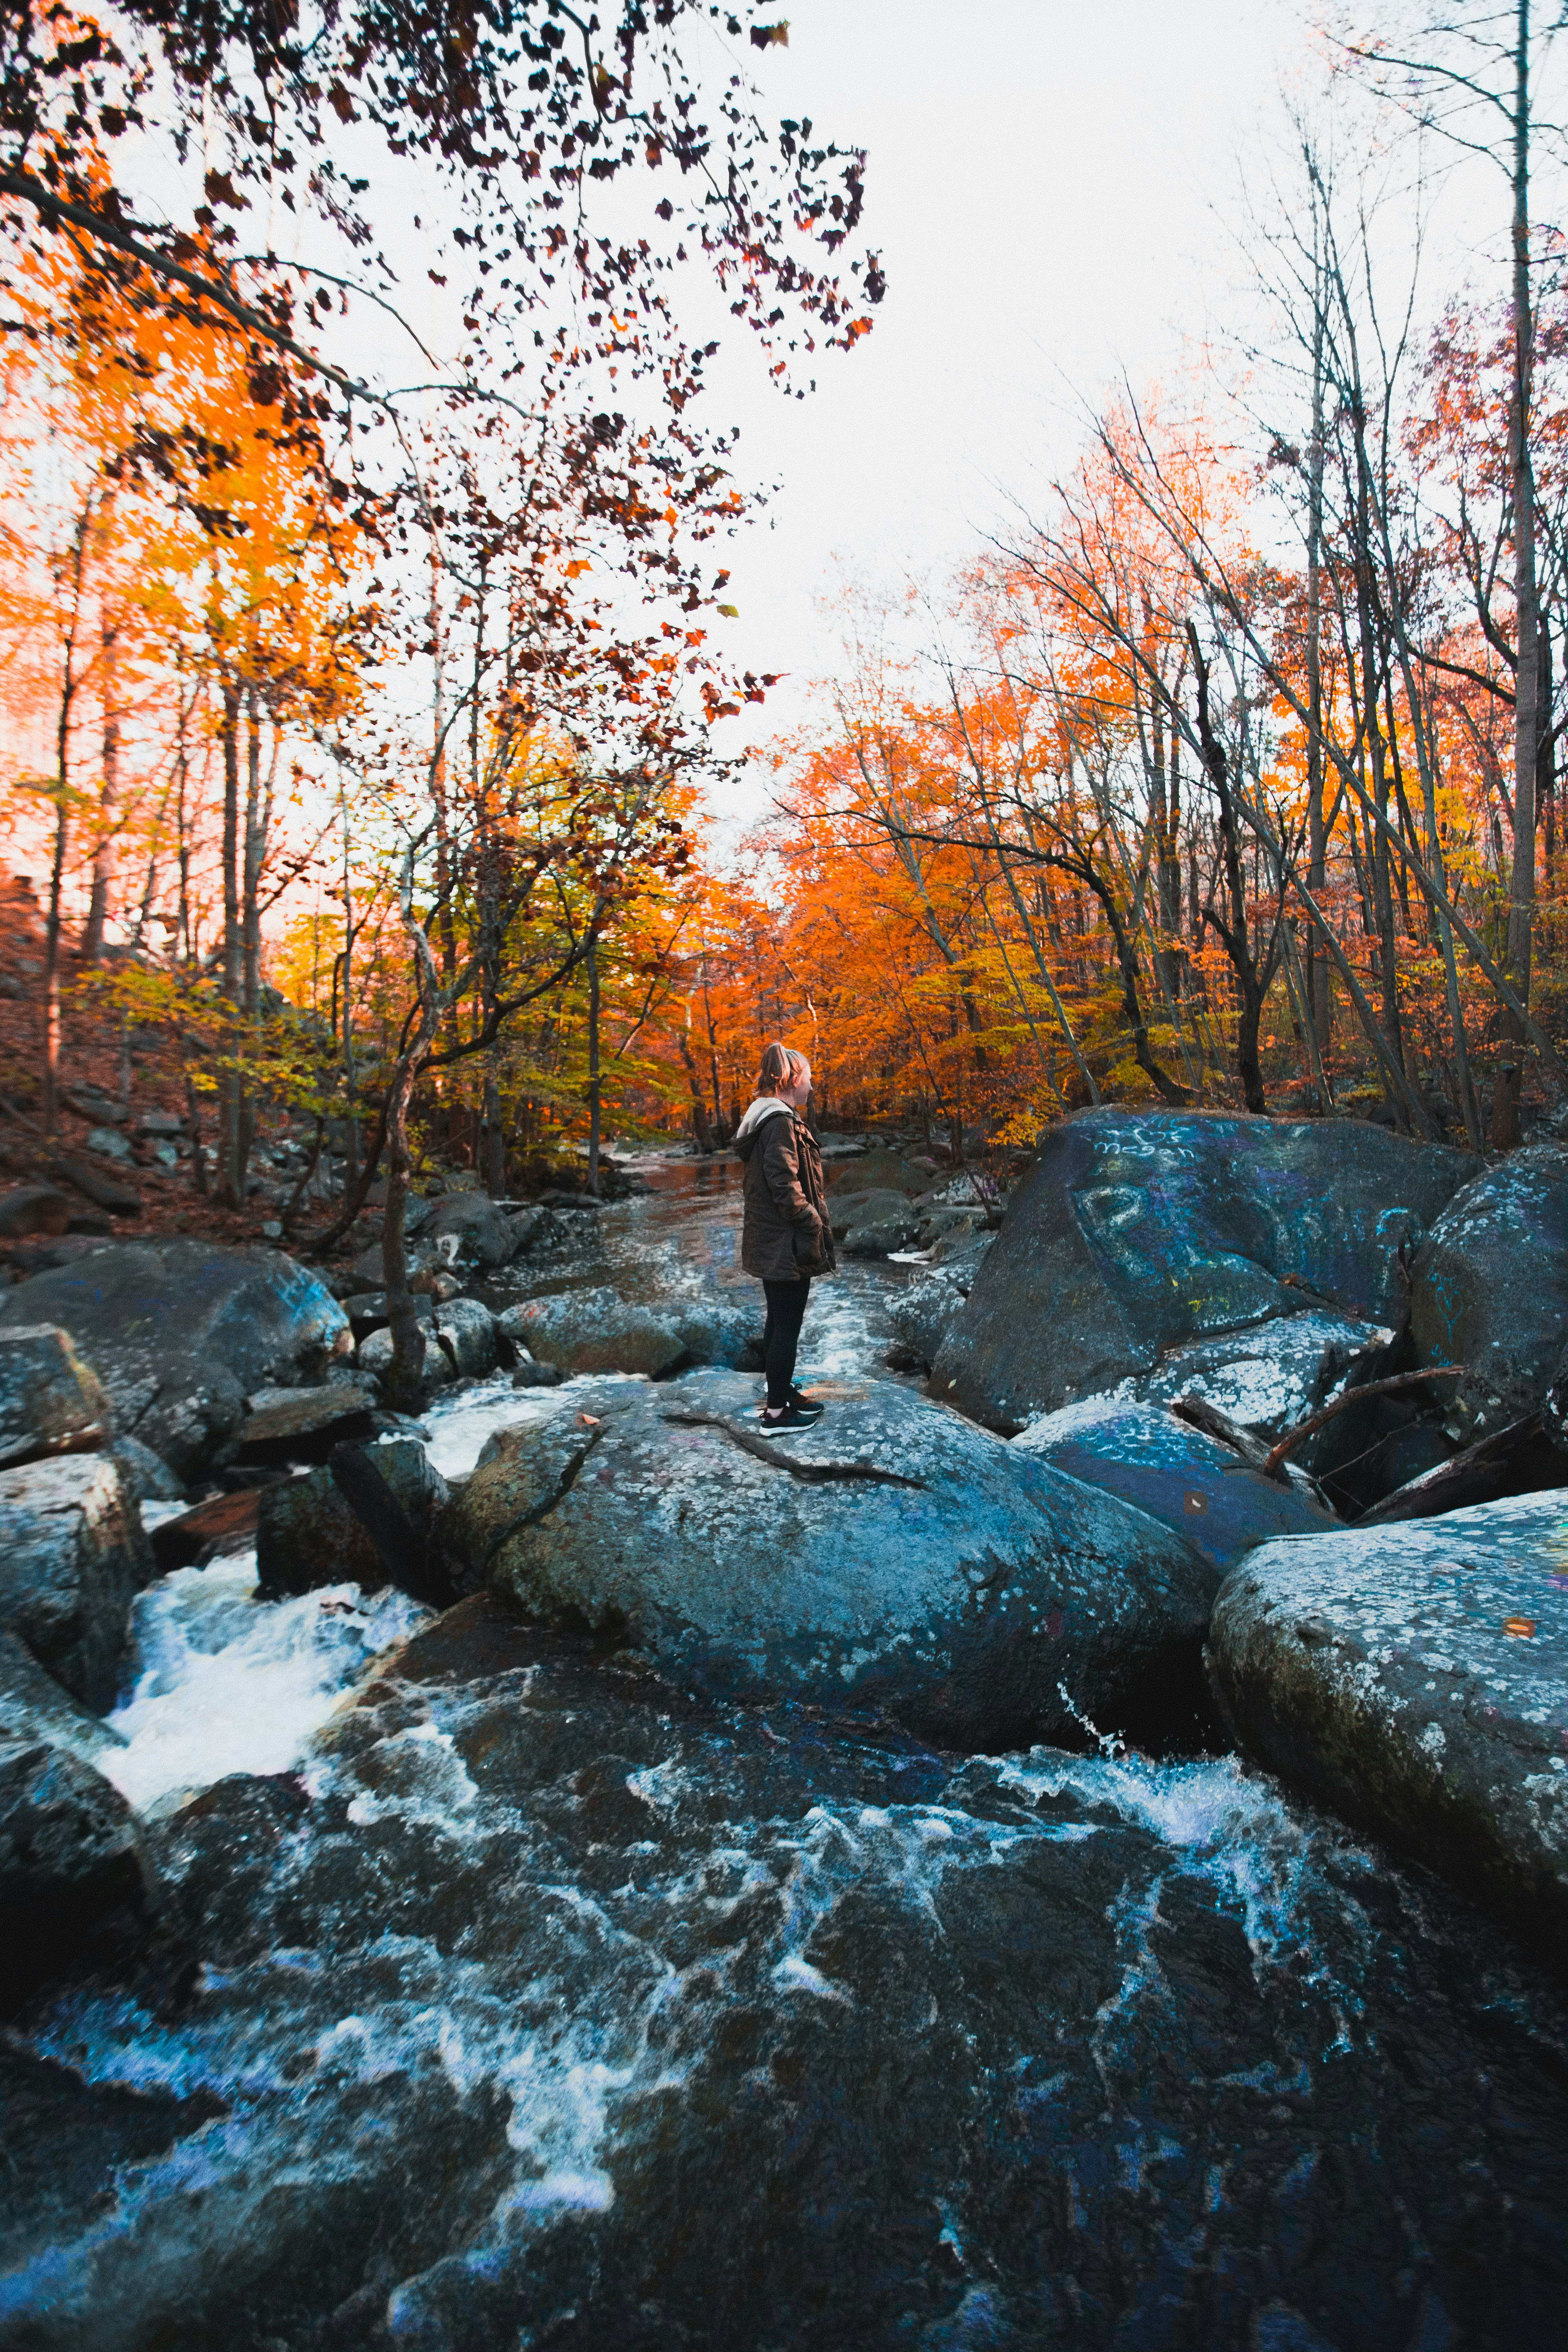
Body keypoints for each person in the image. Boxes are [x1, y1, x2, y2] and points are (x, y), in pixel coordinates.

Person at [734, 1041, 835, 1431]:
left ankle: (781, 1390)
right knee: (786, 1325)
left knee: (779, 1320)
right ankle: (776, 1414)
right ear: (793, 1080)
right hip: (785, 1244)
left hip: (776, 1242)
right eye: (809, 1078)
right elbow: (784, 1184)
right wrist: (811, 1222)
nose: (812, 1086)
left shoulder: (771, 1118)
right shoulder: (779, 1122)